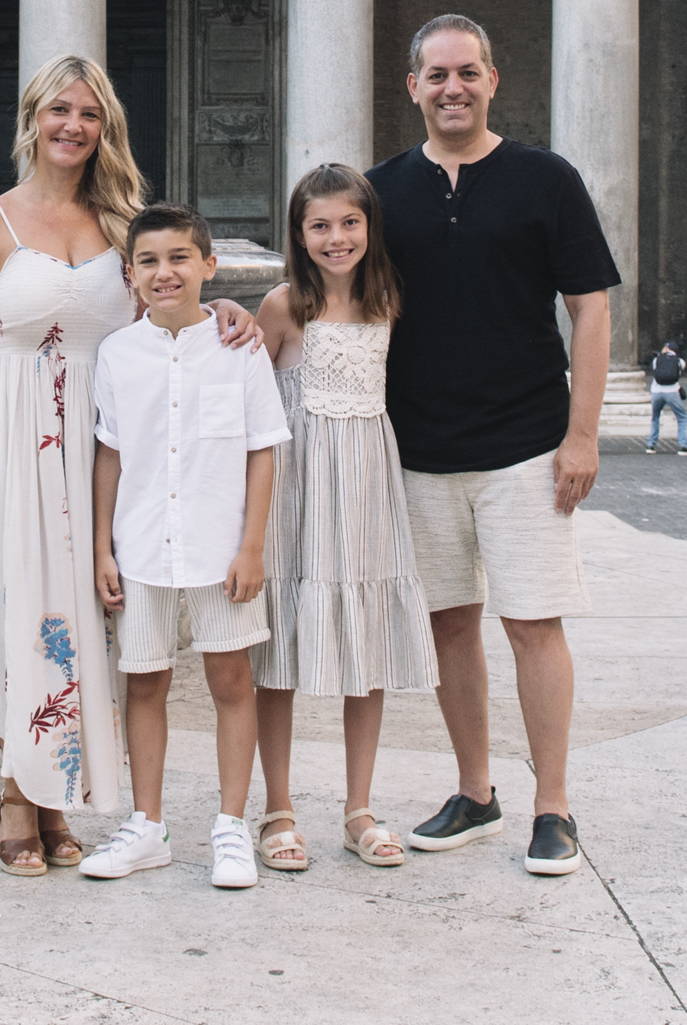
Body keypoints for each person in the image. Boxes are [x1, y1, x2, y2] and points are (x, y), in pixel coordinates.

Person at [0, 54, 251, 875]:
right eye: (58, 110)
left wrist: (224, 309)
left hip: (105, 439)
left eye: (88, 113)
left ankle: (58, 789)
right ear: (33, 119)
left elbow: (171, 288)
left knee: (79, 612)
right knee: (17, 602)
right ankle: (21, 794)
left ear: (104, 125)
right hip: (9, 429)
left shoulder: (123, 225)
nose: (72, 126)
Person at [372, 14, 615, 879]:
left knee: (533, 624)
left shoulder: (545, 178)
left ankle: (554, 804)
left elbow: (590, 306)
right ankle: (475, 790)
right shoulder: (381, 189)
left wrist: (582, 433)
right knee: (449, 627)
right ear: (413, 86)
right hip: (418, 444)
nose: (452, 87)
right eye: (436, 74)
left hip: (526, 442)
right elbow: (327, 284)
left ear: (492, 79)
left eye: (467, 72)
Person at [82, 204, 287, 888]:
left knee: (231, 681)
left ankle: (231, 825)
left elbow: (263, 451)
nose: (164, 272)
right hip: (141, 547)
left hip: (219, 545)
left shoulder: (240, 348)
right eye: (148, 261)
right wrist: (103, 548)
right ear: (131, 273)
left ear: (209, 265)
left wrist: (251, 544)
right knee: (144, 680)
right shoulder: (117, 353)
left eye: (178, 257)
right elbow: (108, 453)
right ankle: (148, 825)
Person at [248, 165, 442, 873]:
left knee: (366, 642)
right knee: (280, 648)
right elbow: (245, 404)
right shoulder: (281, 306)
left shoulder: (386, 299)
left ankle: (359, 806)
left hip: (365, 481)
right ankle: (278, 807)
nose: (337, 237)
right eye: (320, 224)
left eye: (349, 222)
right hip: (297, 486)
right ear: (298, 233)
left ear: (370, 226)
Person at [645, 338, 687, 455]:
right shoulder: (680, 361)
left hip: (656, 391)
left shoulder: (657, 360)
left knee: (655, 417)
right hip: (672, 391)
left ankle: (651, 445)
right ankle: (683, 446)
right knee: (682, 418)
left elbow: (656, 370)